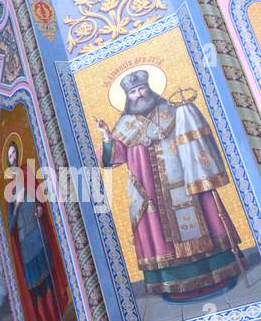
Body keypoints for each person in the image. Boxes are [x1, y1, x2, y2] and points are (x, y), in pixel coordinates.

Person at [96, 69, 244, 303]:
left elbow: (190, 138)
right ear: (127, 96)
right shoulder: (124, 123)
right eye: (133, 91)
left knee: (202, 215)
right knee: (156, 228)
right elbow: (111, 158)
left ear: (150, 87)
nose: (139, 94)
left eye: (141, 88)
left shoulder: (171, 110)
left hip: (184, 179)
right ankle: (173, 281)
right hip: (149, 190)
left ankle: (216, 271)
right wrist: (106, 136)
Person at [4, 139, 68, 321]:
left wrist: (40, 208)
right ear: (7, 161)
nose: (13, 158)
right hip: (25, 244)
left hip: (38, 236)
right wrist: (17, 204)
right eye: (10, 156)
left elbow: (41, 202)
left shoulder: (28, 176)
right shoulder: (10, 193)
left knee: (49, 283)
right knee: (37, 290)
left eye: (15, 154)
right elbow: (11, 226)